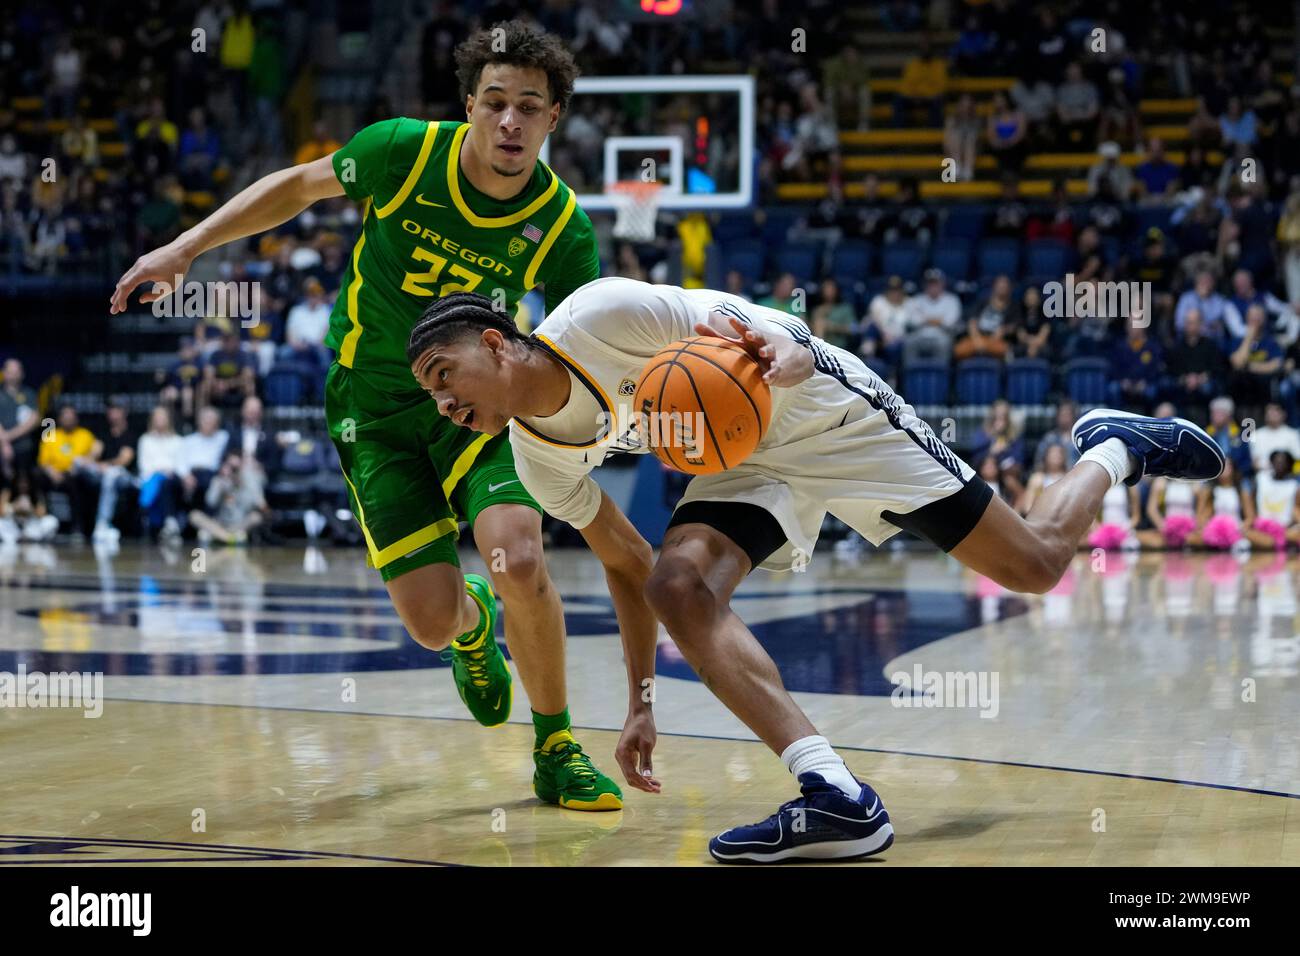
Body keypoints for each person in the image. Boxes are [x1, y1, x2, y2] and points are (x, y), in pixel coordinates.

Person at [403, 276, 1225, 862]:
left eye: (446, 380)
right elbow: (627, 563)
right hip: (738, 460)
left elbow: (763, 330)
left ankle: (1114, 448)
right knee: (675, 584)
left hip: (822, 410)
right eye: (432, 400)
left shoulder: (603, 314)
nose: (446, 406)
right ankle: (836, 797)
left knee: (1039, 565)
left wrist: (792, 351)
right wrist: (640, 701)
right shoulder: (536, 459)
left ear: (494, 343)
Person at [111, 20, 620, 810]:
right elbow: (297, 186)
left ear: (555, 117)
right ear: (470, 106)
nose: (510, 121)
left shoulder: (561, 227)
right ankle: (472, 627)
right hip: (373, 409)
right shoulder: (403, 152)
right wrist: (188, 247)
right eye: (495, 103)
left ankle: (556, 747)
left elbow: (576, 348)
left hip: (480, 412)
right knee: (428, 622)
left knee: (520, 559)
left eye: (530, 105)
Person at [83, 399, 137, 542]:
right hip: (103, 472)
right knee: (78, 463)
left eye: (116, 409)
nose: (112, 413)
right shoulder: (103, 432)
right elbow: (94, 453)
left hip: (125, 477)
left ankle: (102, 523)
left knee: (111, 474)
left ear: (124, 412)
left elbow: (124, 460)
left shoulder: (130, 433)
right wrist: (89, 462)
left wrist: (105, 465)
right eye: (110, 410)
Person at [136, 405, 185, 540]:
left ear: (169, 420)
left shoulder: (178, 441)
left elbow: (181, 464)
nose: (160, 420)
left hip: (172, 478)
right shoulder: (145, 439)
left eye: (162, 417)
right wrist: (160, 470)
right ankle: (168, 522)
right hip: (150, 477)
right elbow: (143, 465)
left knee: (164, 482)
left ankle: (145, 504)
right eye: (157, 417)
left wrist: (167, 470)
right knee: (158, 480)